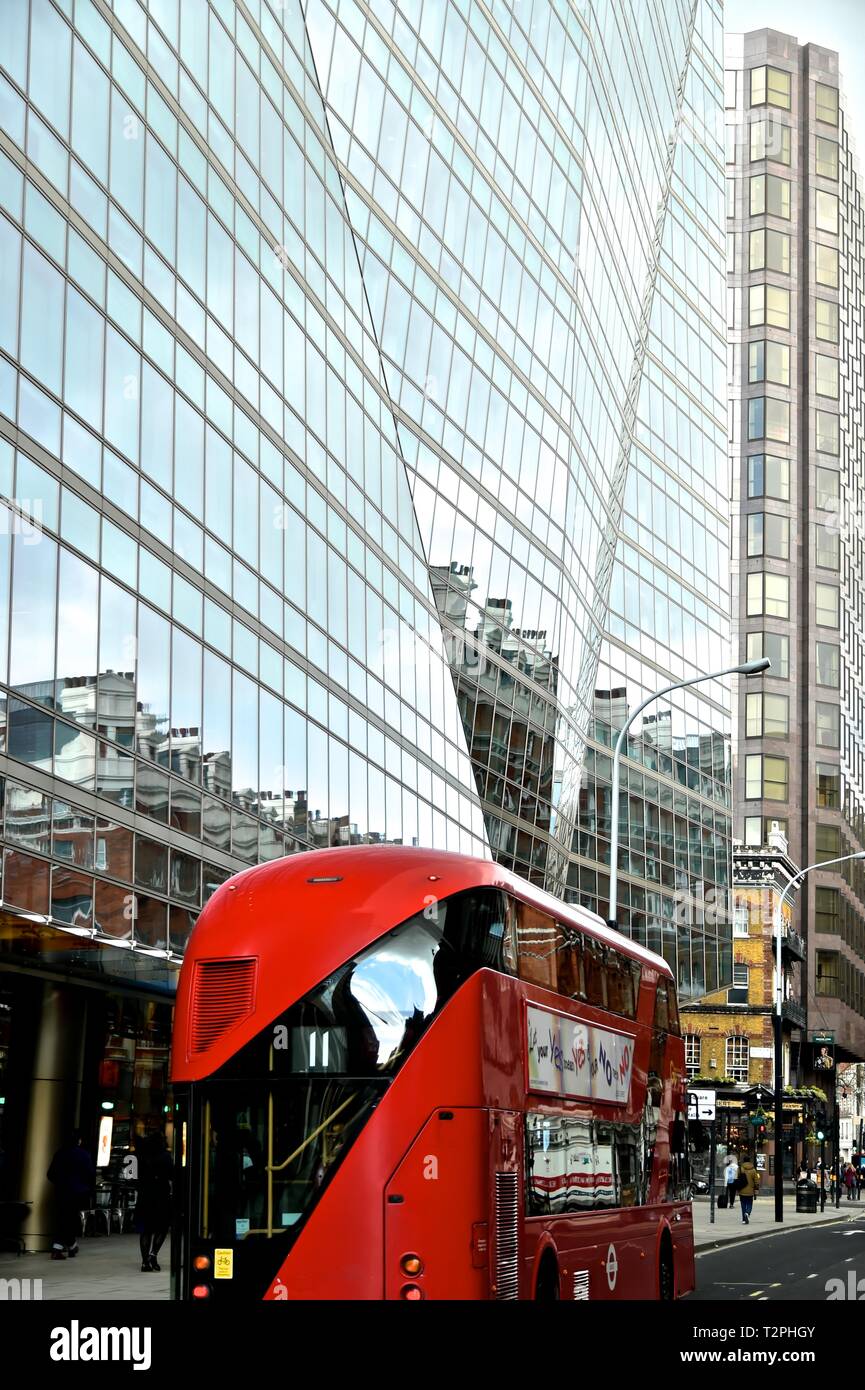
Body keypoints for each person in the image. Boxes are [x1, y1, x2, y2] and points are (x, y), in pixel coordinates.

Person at [47, 1129, 95, 1260]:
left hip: (61, 1191)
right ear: (79, 1140)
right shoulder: (84, 1155)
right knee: (70, 1220)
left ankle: (72, 1246)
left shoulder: (59, 1154)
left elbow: (50, 1174)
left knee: (64, 1218)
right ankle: (60, 1248)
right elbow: (90, 1174)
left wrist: (60, 1183)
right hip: (78, 1192)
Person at [135, 1131, 173, 1272]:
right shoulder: (165, 1156)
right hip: (161, 1195)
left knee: (146, 1229)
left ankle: (145, 1262)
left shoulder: (141, 1156)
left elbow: (131, 1175)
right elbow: (172, 1174)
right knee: (162, 1227)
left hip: (145, 1195)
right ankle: (153, 1254)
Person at [738, 1153, 760, 1225]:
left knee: (743, 1204)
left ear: (744, 1161)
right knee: (750, 1203)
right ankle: (747, 1213)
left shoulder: (740, 1169)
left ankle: (744, 1219)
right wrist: (756, 1188)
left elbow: (737, 1178)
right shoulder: (753, 1170)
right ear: (750, 1161)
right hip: (750, 1190)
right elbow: (756, 1181)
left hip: (742, 1190)